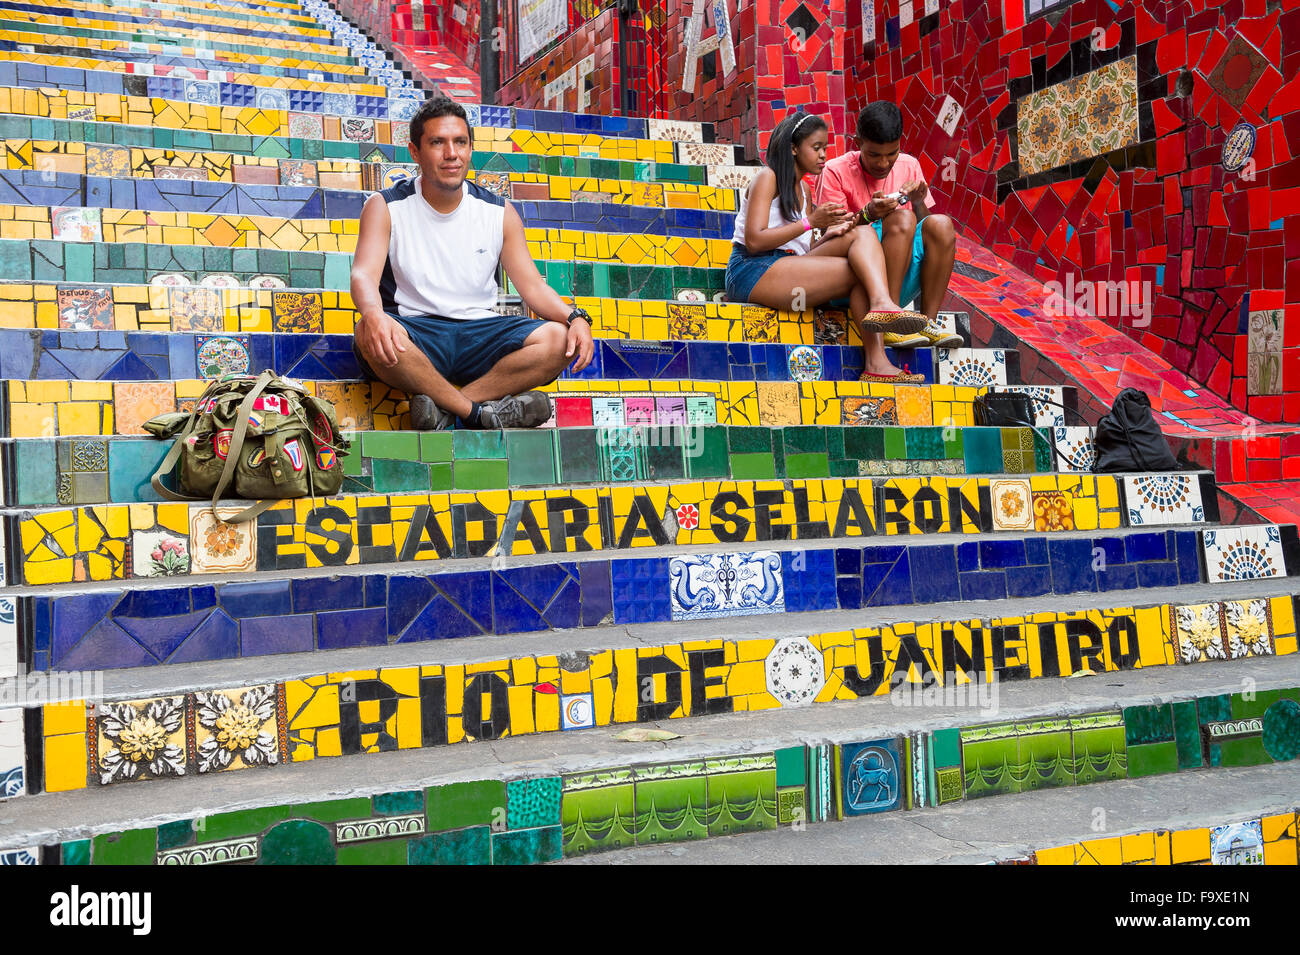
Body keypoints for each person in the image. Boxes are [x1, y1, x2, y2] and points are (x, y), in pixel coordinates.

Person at [349, 96, 595, 430]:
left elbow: (533, 286)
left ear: (470, 148)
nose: (452, 153)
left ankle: (447, 410)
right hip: (418, 334)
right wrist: (374, 314)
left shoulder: (498, 212)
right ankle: (480, 413)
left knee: (556, 339)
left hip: (481, 335)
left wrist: (576, 317)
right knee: (368, 332)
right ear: (415, 152)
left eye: (460, 142)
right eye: (438, 142)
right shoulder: (386, 205)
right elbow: (363, 274)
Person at [726, 111, 928, 383]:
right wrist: (810, 222)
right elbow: (754, 241)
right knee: (861, 269)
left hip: (787, 266)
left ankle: (880, 328)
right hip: (751, 269)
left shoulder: (805, 191)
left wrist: (834, 231)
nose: (823, 155)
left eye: (825, 147)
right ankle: (878, 346)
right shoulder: (768, 177)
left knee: (862, 234)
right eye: (816, 147)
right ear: (794, 148)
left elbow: (805, 253)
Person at [814, 101, 960, 350]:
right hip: (853, 282)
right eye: (874, 155)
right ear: (858, 142)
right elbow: (832, 237)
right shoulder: (834, 171)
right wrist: (868, 215)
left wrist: (917, 201)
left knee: (942, 225)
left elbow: (925, 226)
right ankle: (889, 319)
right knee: (901, 219)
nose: (883, 163)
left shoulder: (909, 165)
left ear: (900, 145)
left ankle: (926, 322)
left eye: (891, 153)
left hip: (898, 274)